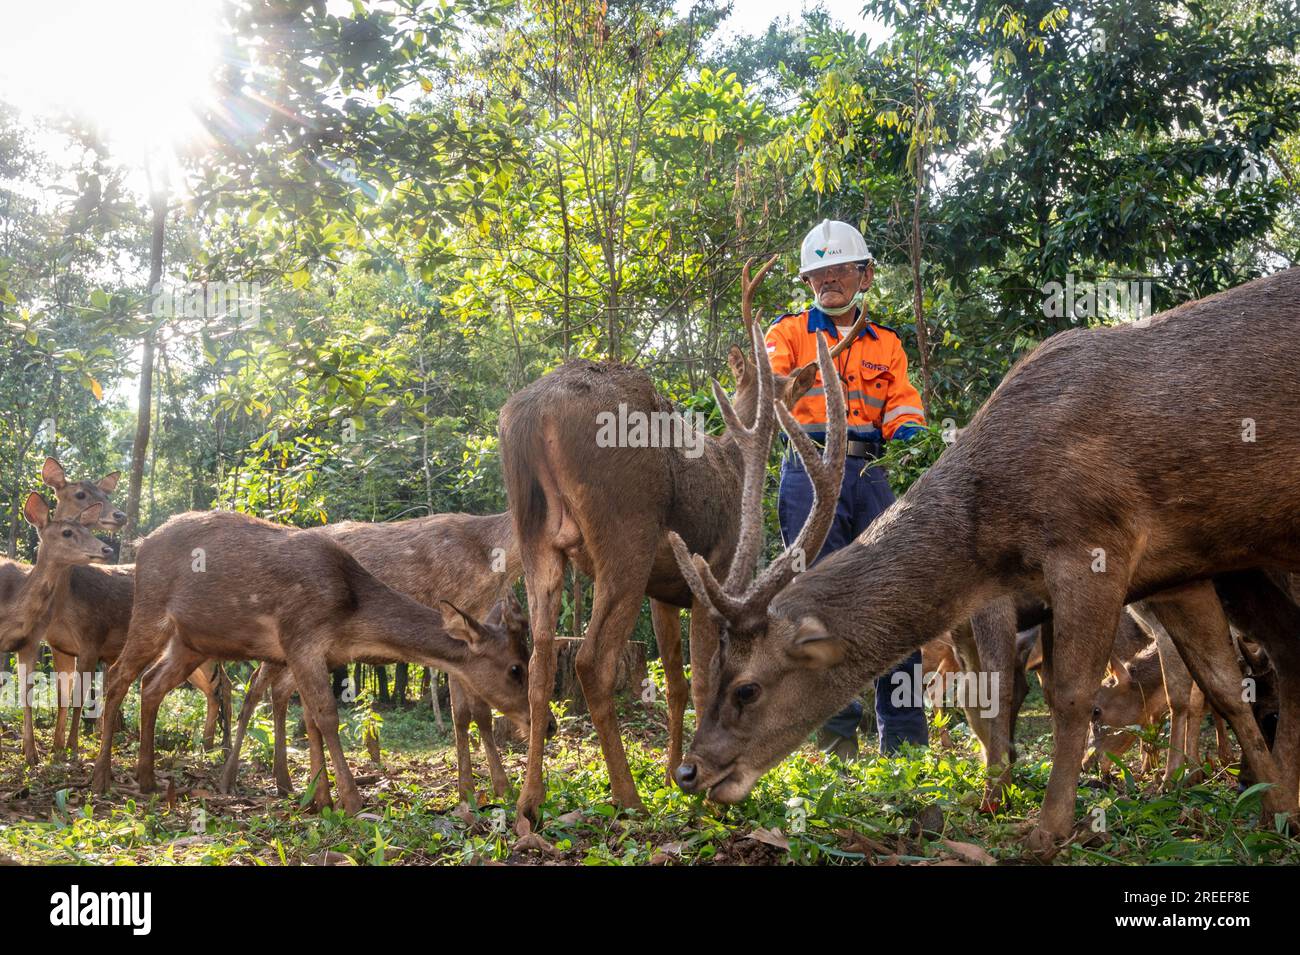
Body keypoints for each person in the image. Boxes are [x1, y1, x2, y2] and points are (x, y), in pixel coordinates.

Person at [764, 218, 929, 759]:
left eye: (841, 270)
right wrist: (817, 365)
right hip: (808, 474)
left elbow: (905, 407)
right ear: (808, 281)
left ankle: (903, 745)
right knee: (819, 603)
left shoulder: (890, 344)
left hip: (870, 473)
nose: (829, 279)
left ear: (865, 276)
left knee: (896, 598)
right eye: (819, 273)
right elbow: (772, 392)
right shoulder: (785, 333)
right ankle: (836, 745)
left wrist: (911, 439)